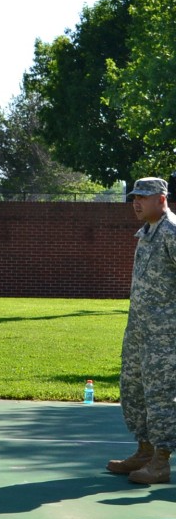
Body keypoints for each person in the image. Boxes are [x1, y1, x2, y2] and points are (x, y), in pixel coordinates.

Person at [105, 176, 176, 485]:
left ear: (162, 199)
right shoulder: (147, 232)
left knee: (160, 396)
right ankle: (144, 450)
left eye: (144, 197)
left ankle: (160, 461)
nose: (136, 201)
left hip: (165, 335)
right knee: (134, 391)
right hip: (139, 331)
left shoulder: (172, 233)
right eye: (134, 196)